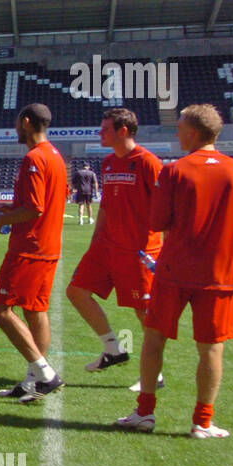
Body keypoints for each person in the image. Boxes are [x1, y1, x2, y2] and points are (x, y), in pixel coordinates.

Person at [115, 104, 233, 438]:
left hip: (174, 269)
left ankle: (144, 413)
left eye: (179, 127)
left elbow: (158, 222)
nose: (176, 132)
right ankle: (202, 422)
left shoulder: (174, 171)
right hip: (220, 272)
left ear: (193, 131)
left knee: (153, 339)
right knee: (211, 348)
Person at [66, 109, 164, 386]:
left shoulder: (148, 163)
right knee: (76, 291)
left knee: (144, 312)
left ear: (123, 131)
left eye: (105, 129)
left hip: (138, 250)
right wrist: (95, 241)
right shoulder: (108, 163)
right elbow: (106, 206)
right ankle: (112, 348)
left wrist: (161, 249)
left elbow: (165, 208)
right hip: (107, 245)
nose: (100, 133)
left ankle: (153, 374)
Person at [0, 103, 68, 403]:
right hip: (47, 247)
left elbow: (35, 208)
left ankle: (45, 373)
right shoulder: (55, 156)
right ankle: (34, 380)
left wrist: (1, 219)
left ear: (25, 122)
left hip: (30, 248)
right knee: (35, 311)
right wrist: (7, 207)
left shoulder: (34, 158)